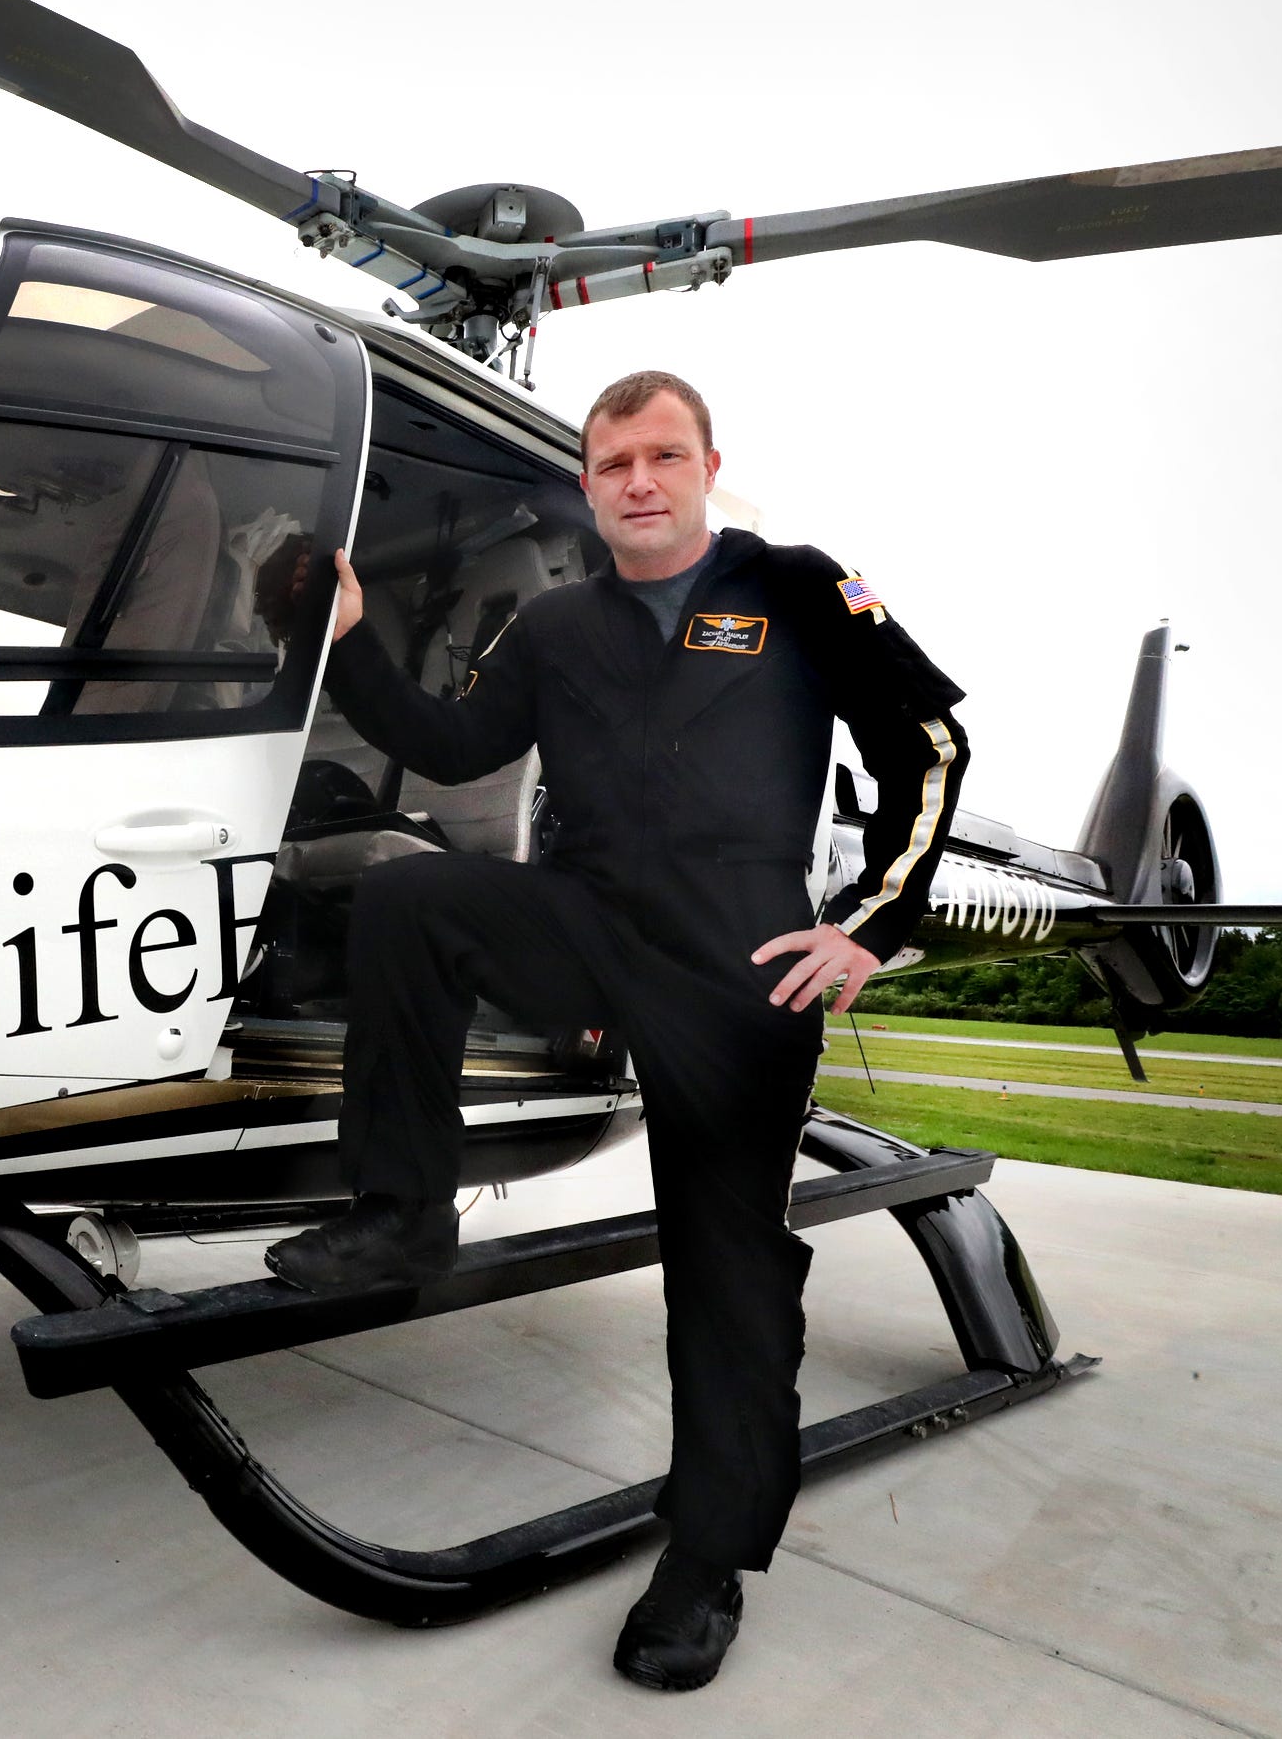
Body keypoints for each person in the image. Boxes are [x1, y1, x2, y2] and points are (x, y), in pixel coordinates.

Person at [263, 370, 967, 1691]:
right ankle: (403, 1208)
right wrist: (351, 635)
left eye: (660, 456)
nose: (636, 481)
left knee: (727, 1271)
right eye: (610, 464)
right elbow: (452, 744)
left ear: (706, 466)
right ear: (585, 488)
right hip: (588, 923)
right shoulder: (553, 624)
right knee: (409, 896)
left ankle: (702, 1565)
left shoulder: (802, 589)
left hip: (736, 961)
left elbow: (924, 749)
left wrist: (866, 924)